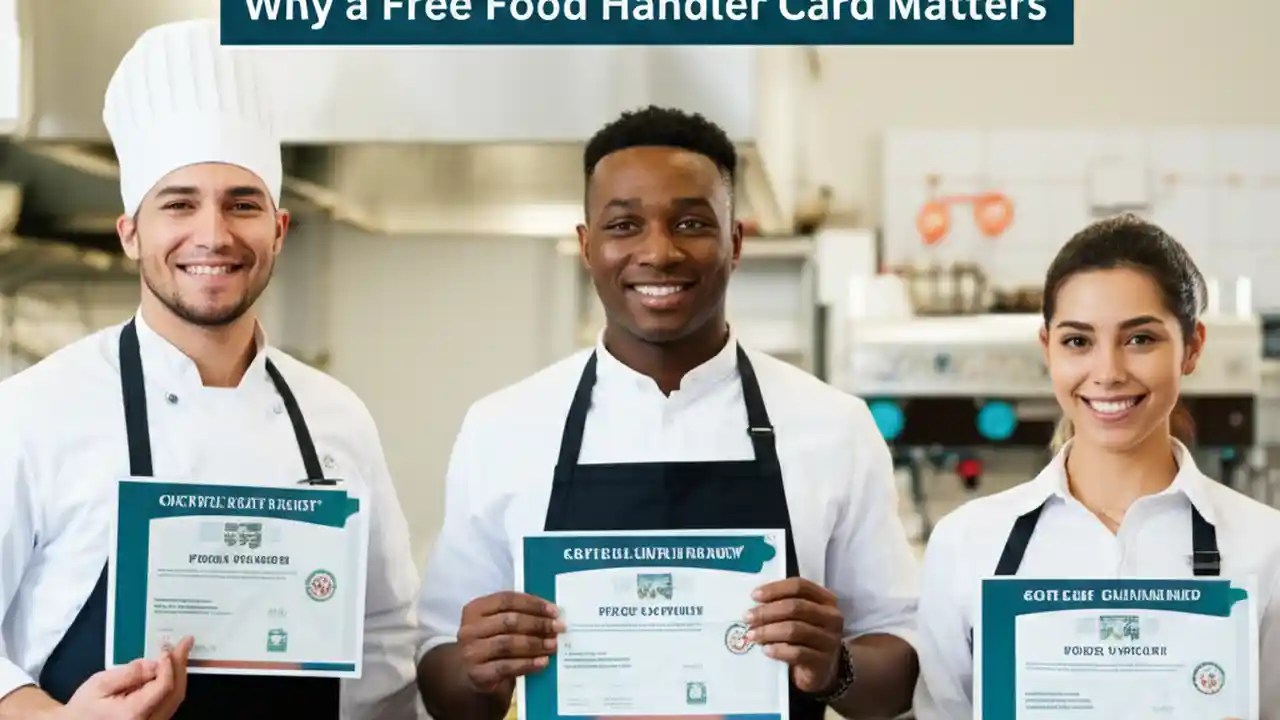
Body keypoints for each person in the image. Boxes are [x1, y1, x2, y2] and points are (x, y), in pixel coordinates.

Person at [414, 106, 920, 720]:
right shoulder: (502, 428)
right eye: (624, 225)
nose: (660, 252)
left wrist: (836, 666)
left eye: (691, 223)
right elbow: (441, 672)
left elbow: (899, 665)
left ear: (735, 243)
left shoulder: (834, 426)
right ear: (586, 245)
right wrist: (477, 669)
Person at [0, 19, 421, 720]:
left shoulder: (335, 417)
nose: (214, 235)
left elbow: (385, 646)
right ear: (131, 232)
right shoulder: (32, 412)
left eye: (242, 204)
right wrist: (55, 719)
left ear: (279, 230)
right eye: (180, 204)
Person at [911, 214, 1280, 719]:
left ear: (1192, 347)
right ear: (1048, 349)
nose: (1107, 373)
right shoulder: (965, 544)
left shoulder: (1267, 549)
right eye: (1078, 341)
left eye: (1140, 339)